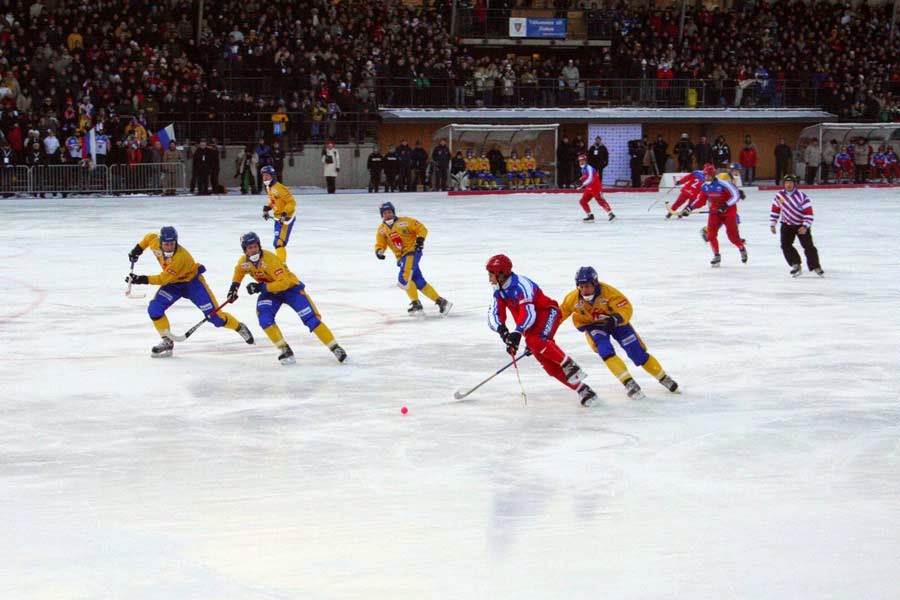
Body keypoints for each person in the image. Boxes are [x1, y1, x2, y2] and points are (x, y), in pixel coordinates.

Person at [485, 254, 597, 407]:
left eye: (491, 274)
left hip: (548, 312)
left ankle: (569, 365)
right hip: (531, 325)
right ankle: (583, 390)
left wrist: (517, 333)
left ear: (501, 273)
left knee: (535, 341)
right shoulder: (498, 290)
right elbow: (494, 313)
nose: (489, 278)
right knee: (547, 363)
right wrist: (504, 333)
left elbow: (529, 313)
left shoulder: (521, 285)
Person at [125, 226, 254, 357]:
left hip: (193, 284)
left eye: (172, 244)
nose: (169, 247)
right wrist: (137, 250)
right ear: (160, 242)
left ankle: (239, 327)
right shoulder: (154, 241)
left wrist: (140, 279)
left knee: (216, 318)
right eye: (166, 244)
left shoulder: (180, 257)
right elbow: (148, 238)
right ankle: (166, 341)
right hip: (173, 285)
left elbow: (162, 279)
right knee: (154, 309)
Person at [228, 232, 347, 365]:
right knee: (264, 319)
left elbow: (283, 283)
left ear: (259, 246)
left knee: (311, 320)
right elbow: (239, 271)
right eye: (249, 248)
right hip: (270, 292)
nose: (253, 250)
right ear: (245, 250)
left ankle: (335, 347)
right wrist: (234, 287)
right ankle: (285, 349)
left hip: (290, 289)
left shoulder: (270, 260)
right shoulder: (244, 262)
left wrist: (260, 288)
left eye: (255, 246)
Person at [560, 266, 679, 400]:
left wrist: (616, 318)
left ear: (595, 283)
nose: (584, 290)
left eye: (587, 286)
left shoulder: (609, 293)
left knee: (637, 352)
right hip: (593, 325)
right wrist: (545, 332)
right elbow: (559, 314)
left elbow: (626, 308)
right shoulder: (572, 299)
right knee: (605, 350)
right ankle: (629, 383)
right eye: (580, 287)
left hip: (617, 323)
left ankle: (663, 377)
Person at [374, 202, 452, 317]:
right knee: (418, 281)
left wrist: (420, 240)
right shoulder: (382, 230)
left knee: (403, 278)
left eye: (390, 212)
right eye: (385, 213)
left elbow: (422, 228)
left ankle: (416, 304)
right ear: (382, 215)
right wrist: (379, 251)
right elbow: (380, 243)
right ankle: (442, 303)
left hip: (412, 253)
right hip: (401, 258)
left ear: (393, 212)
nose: (388, 214)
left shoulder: (405, 221)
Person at [683, 163, 747, 267]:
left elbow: (736, 195)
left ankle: (741, 248)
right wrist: (690, 208)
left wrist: (726, 205)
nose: (706, 177)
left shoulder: (724, 184)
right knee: (711, 235)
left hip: (729, 212)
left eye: (708, 175)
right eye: (705, 175)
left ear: (713, 175)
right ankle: (716, 255)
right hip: (714, 213)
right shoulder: (704, 186)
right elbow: (700, 199)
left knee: (733, 237)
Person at [769, 175, 824, 277]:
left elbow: (809, 213)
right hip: (787, 225)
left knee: (808, 246)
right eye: (786, 183)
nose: (788, 185)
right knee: (785, 245)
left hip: (801, 225)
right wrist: (773, 224)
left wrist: (805, 226)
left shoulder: (802, 197)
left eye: (791, 183)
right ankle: (795, 264)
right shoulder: (779, 196)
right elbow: (775, 210)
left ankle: (816, 266)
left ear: (794, 184)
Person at [260, 165, 296, 262]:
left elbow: (292, 203)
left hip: (287, 218)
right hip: (278, 217)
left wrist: (285, 213)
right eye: (263, 176)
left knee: (279, 242)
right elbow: (274, 200)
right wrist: (268, 208)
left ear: (272, 176)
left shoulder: (280, 188)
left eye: (267, 175)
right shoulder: (269, 187)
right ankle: (281, 264)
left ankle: (282, 266)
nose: (265, 178)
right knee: (277, 242)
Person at [577, 152, 615, 222]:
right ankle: (590, 215)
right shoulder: (582, 169)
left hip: (596, 188)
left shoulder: (589, 168)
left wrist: (582, 185)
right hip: (589, 188)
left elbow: (590, 178)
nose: (581, 162)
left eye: (582, 160)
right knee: (582, 201)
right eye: (579, 161)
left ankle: (611, 214)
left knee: (600, 201)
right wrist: (580, 180)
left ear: (585, 160)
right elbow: (585, 177)